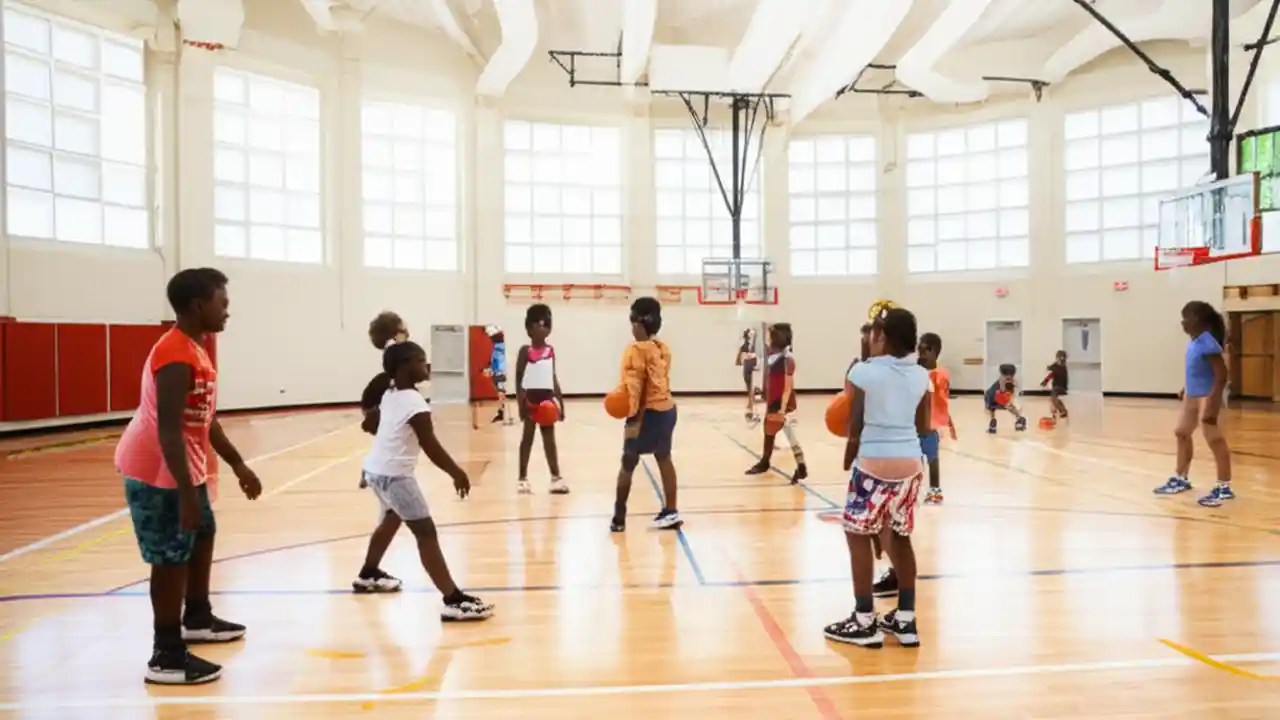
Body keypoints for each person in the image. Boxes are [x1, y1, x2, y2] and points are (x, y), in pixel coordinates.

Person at [115, 268, 263, 685]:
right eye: (223, 302)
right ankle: (166, 653)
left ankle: (196, 616)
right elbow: (167, 429)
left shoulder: (197, 348)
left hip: (183, 465)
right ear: (199, 305)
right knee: (169, 556)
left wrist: (237, 464)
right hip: (157, 469)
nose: (228, 310)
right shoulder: (175, 355)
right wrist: (184, 492)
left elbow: (206, 420)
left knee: (203, 534)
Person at [360, 340, 494, 620]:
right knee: (426, 533)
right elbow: (429, 444)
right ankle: (452, 599)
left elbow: (374, 421)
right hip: (395, 477)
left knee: (392, 519)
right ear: (406, 366)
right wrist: (457, 472)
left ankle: (368, 573)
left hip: (376, 471)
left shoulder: (391, 394)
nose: (426, 365)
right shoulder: (413, 401)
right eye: (421, 361)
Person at [824, 306, 930, 649]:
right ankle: (905, 620)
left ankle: (864, 619)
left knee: (857, 534)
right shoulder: (921, 375)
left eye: (872, 333)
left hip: (874, 462)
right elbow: (924, 427)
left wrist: (848, 458)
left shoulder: (863, 372)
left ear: (881, 337)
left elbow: (854, 426)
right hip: (912, 463)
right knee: (899, 536)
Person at [352, 311, 411, 593]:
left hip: (386, 461)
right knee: (400, 515)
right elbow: (373, 423)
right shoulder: (390, 378)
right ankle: (368, 571)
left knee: (392, 514)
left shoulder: (392, 377)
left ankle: (370, 571)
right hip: (389, 466)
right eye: (403, 328)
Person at [1153, 301, 1234, 507]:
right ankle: (1181, 478)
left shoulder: (1208, 343)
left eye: (1186, 317)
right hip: (1192, 395)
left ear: (1198, 320)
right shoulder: (1194, 342)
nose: (1182, 322)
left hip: (1208, 396)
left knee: (1214, 439)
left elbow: (1221, 376)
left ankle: (1224, 486)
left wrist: (1213, 405)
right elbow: (1196, 370)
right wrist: (1185, 387)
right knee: (1182, 432)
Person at [610, 297, 681, 532]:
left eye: (632, 321)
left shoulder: (634, 351)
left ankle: (619, 517)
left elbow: (636, 390)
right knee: (664, 457)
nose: (631, 327)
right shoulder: (663, 349)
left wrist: (633, 420)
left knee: (628, 462)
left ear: (640, 324)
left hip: (646, 413)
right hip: (667, 410)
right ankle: (671, 511)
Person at [515, 304, 567, 495]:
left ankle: (555, 477)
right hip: (530, 401)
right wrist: (521, 402)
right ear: (528, 328)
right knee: (527, 439)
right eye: (538, 325)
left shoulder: (550, 351)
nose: (543, 329)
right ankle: (522, 477)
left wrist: (560, 402)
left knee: (549, 440)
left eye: (546, 325)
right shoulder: (525, 351)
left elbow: (552, 377)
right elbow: (519, 378)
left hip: (547, 402)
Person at [746, 323, 807, 482]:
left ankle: (798, 466)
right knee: (774, 433)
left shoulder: (787, 359)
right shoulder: (773, 355)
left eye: (769, 335)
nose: (767, 338)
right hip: (773, 401)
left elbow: (787, 387)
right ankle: (793, 465)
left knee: (781, 434)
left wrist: (782, 409)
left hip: (781, 403)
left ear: (777, 338)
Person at [917, 333, 956, 504]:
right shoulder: (918, 373)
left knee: (933, 458)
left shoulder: (940, 374)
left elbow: (940, 400)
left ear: (933, 351)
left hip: (931, 425)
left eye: (923, 350)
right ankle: (914, 488)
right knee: (915, 459)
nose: (919, 353)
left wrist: (947, 422)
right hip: (916, 424)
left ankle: (935, 489)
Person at [985, 364, 1027, 433]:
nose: (1009, 378)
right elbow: (1003, 392)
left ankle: (993, 422)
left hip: (994, 396)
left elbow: (1012, 391)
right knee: (1005, 407)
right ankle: (993, 422)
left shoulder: (1007, 379)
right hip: (993, 396)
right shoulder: (1003, 380)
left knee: (994, 408)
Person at [736, 328, 760, 423]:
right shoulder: (746, 347)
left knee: (752, 392)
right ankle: (752, 411)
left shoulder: (752, 347)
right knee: (751, 391)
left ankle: (751, 409)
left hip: (751, 371)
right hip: (749, 371)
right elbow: (745, 359)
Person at [1041, 350, 1069, 420]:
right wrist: (1045, 381)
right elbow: (1051, 371)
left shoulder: (1061, 367)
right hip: (1057, 386)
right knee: (1054, 399)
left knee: (1053, 398)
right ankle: (1062, 411)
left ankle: (1061, 411)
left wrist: (1045, 381)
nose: (1059, 359)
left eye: (1060, 358)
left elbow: (1053, 373)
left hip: (1059, 387)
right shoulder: (1057, 365)